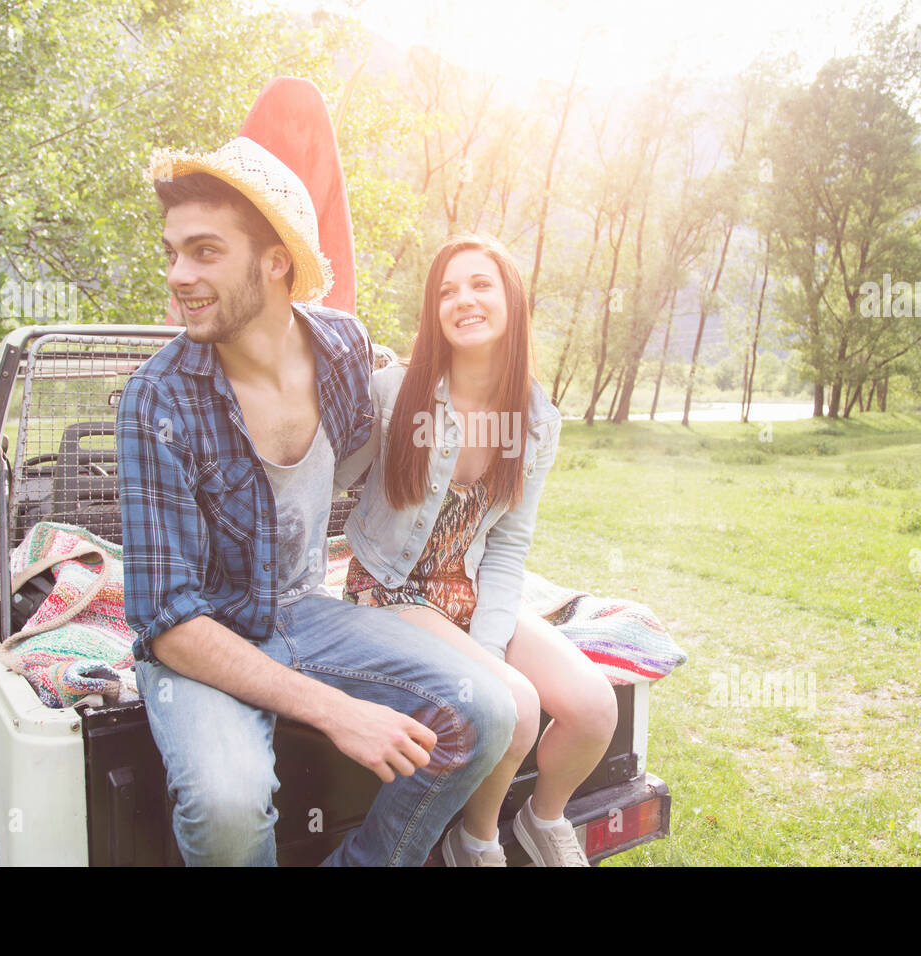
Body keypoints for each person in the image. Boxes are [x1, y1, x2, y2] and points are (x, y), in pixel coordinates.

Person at [116, 138, 516, 866]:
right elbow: (166, 621)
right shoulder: (157, 398)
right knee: (229, 808)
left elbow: (390, 449)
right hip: (203, 636)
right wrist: (338, 713)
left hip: (305, 608)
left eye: (204, 252)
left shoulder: (342, 348)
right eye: (172, 252)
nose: (178, 276)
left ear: (275, 263)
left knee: (485, 709)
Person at [344, 234, 619, 866]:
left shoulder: (536, 417)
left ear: (511, 299)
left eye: (480, 284)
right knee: (517, 706)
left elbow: (507, 546)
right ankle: (477, 841)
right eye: (447, 290)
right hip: (390, 591)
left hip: (466, 588)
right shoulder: (393, 392)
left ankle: (542, 820)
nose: (463, 299)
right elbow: (326, 477)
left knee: (593, 706)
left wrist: (489, 650)